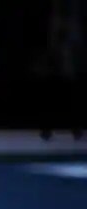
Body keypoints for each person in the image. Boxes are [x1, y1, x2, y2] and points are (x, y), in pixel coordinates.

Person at [37, 0, 85, 140]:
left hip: (67, 45)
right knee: (56, 86)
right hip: (57, 45)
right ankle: (51, 126)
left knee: (68, 86)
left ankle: (74, 126)